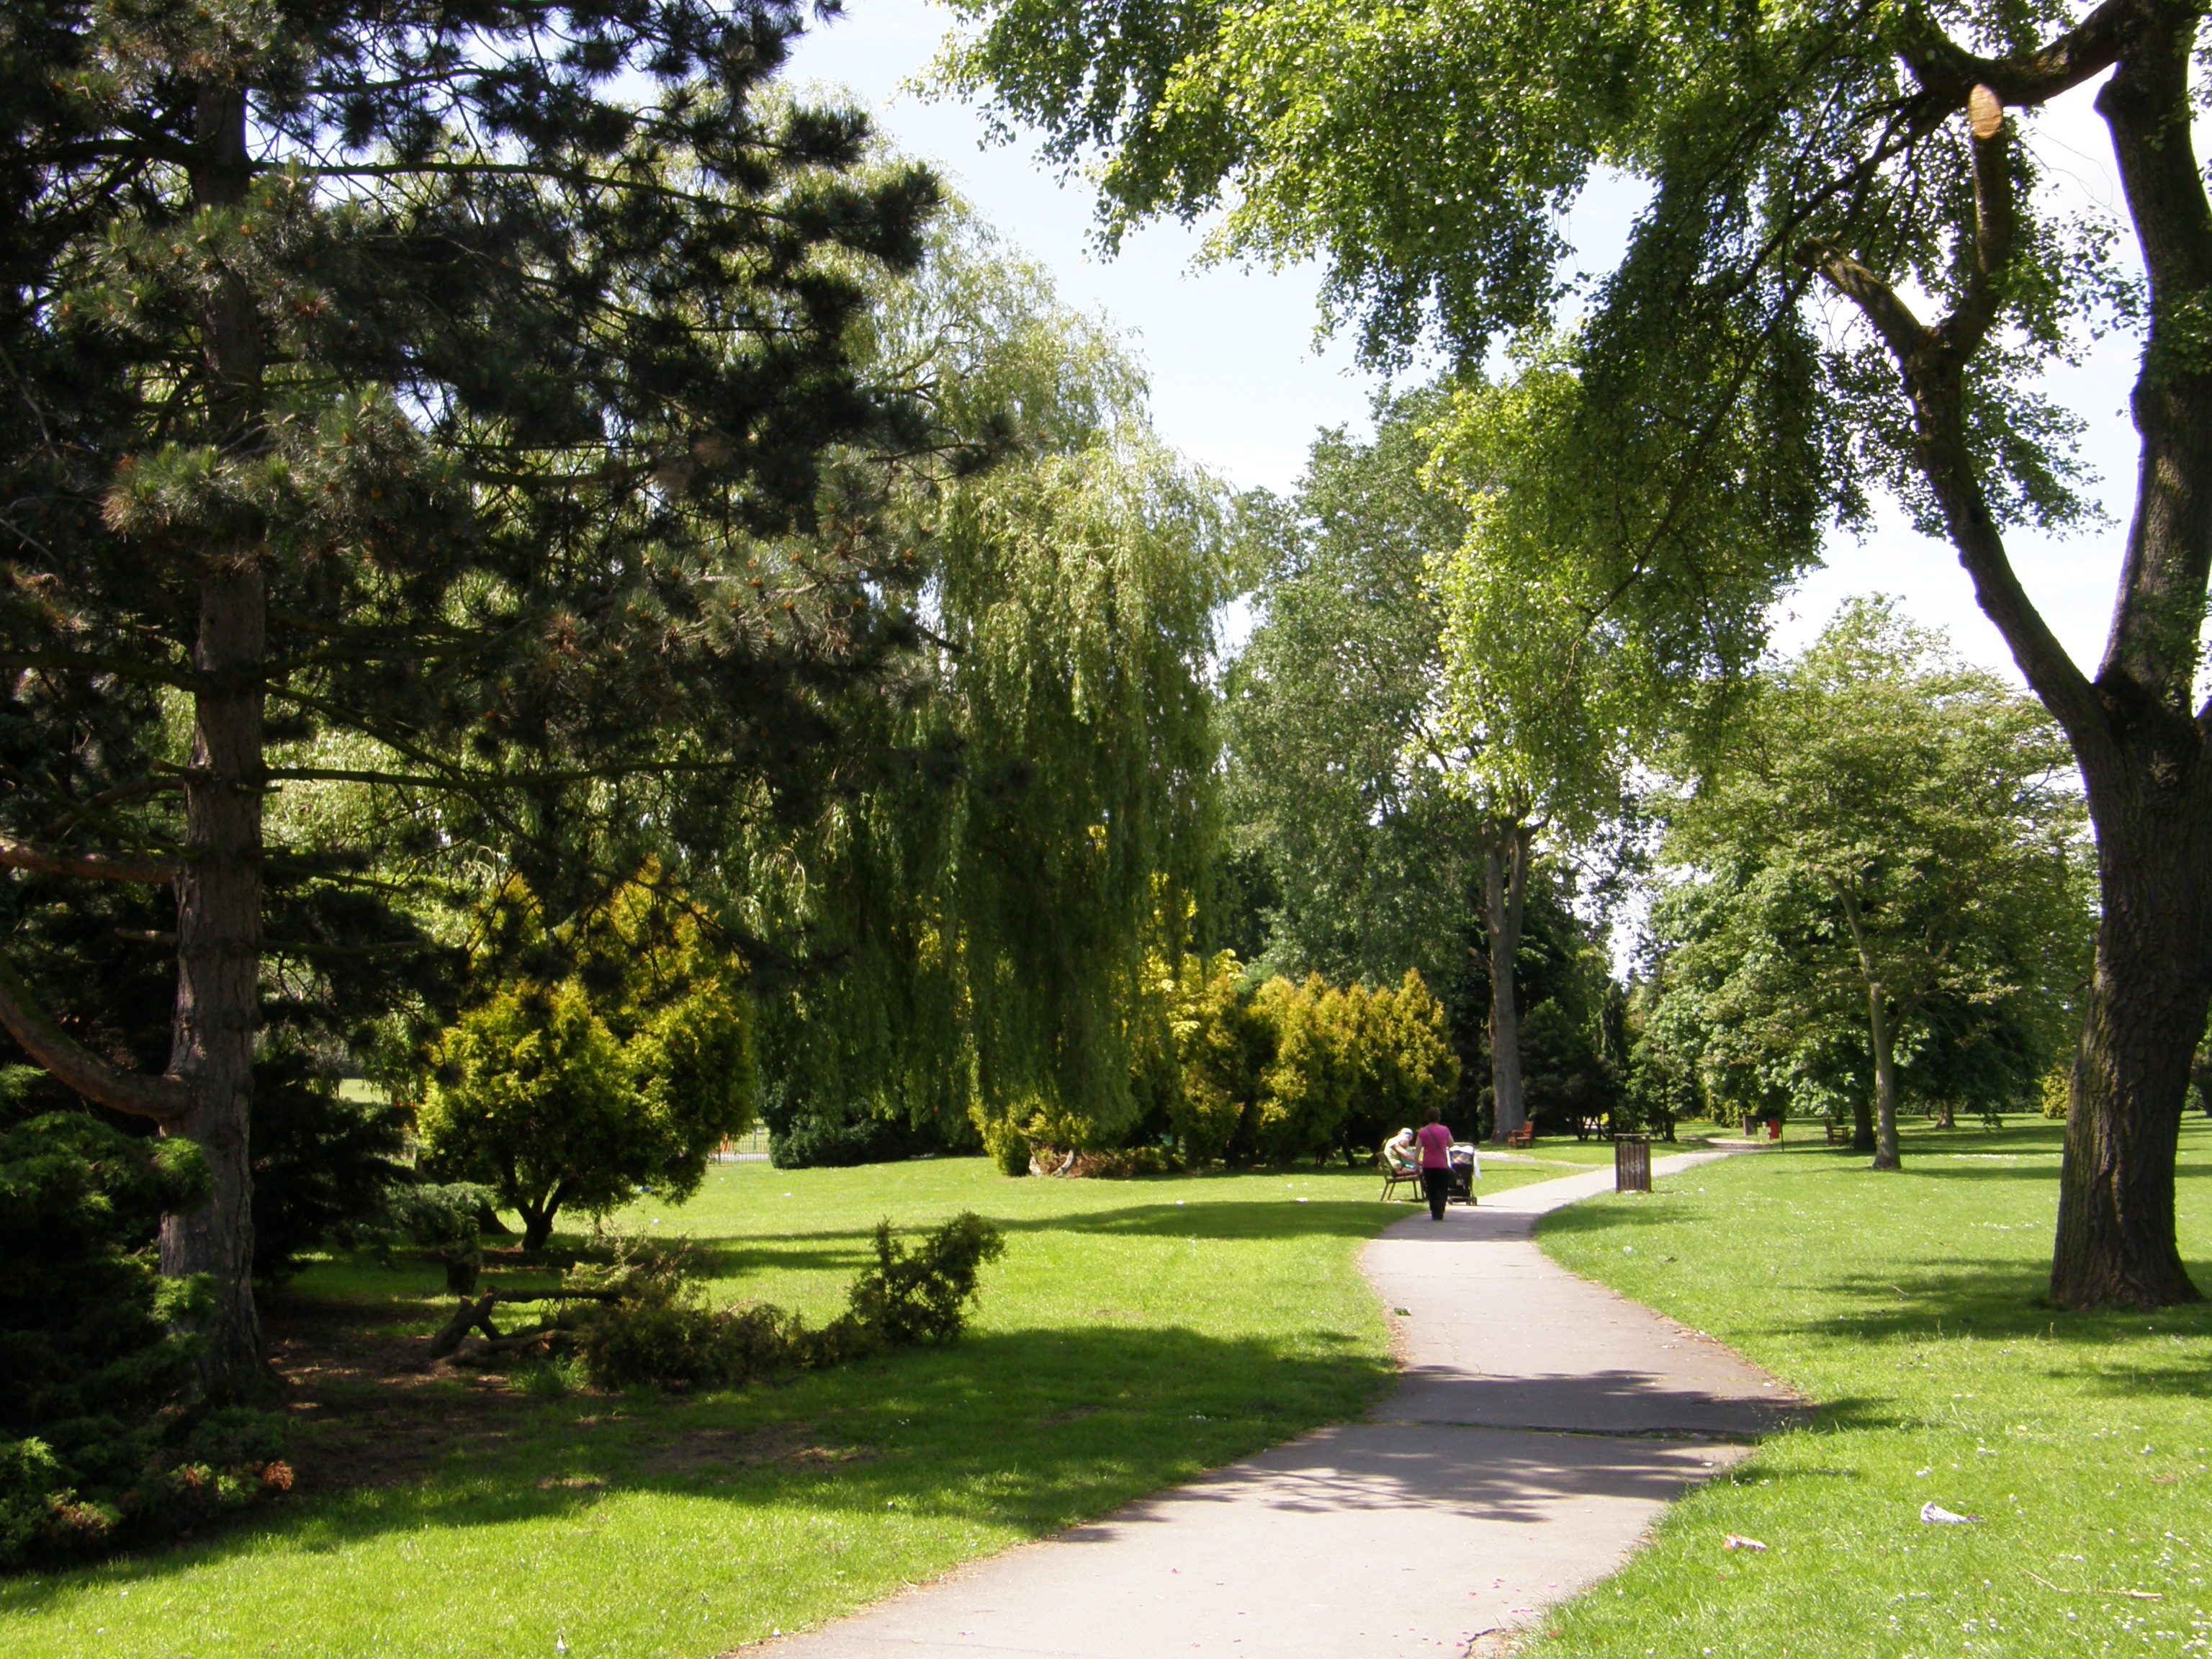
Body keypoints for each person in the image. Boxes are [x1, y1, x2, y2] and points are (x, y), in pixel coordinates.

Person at [1416, 1107, 1455, 1221]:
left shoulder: (1423, 1132)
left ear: (1428, 1118)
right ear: (1439, 1118)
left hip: (1428, 1165)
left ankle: (1434, 1211)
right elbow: (1451, 1144)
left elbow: (1417, 1150)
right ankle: (1440, 1207)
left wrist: (1415, 1164)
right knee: (1443, 1188)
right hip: (1442, 1164)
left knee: (1431, 1188)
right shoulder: (1445, 1130)